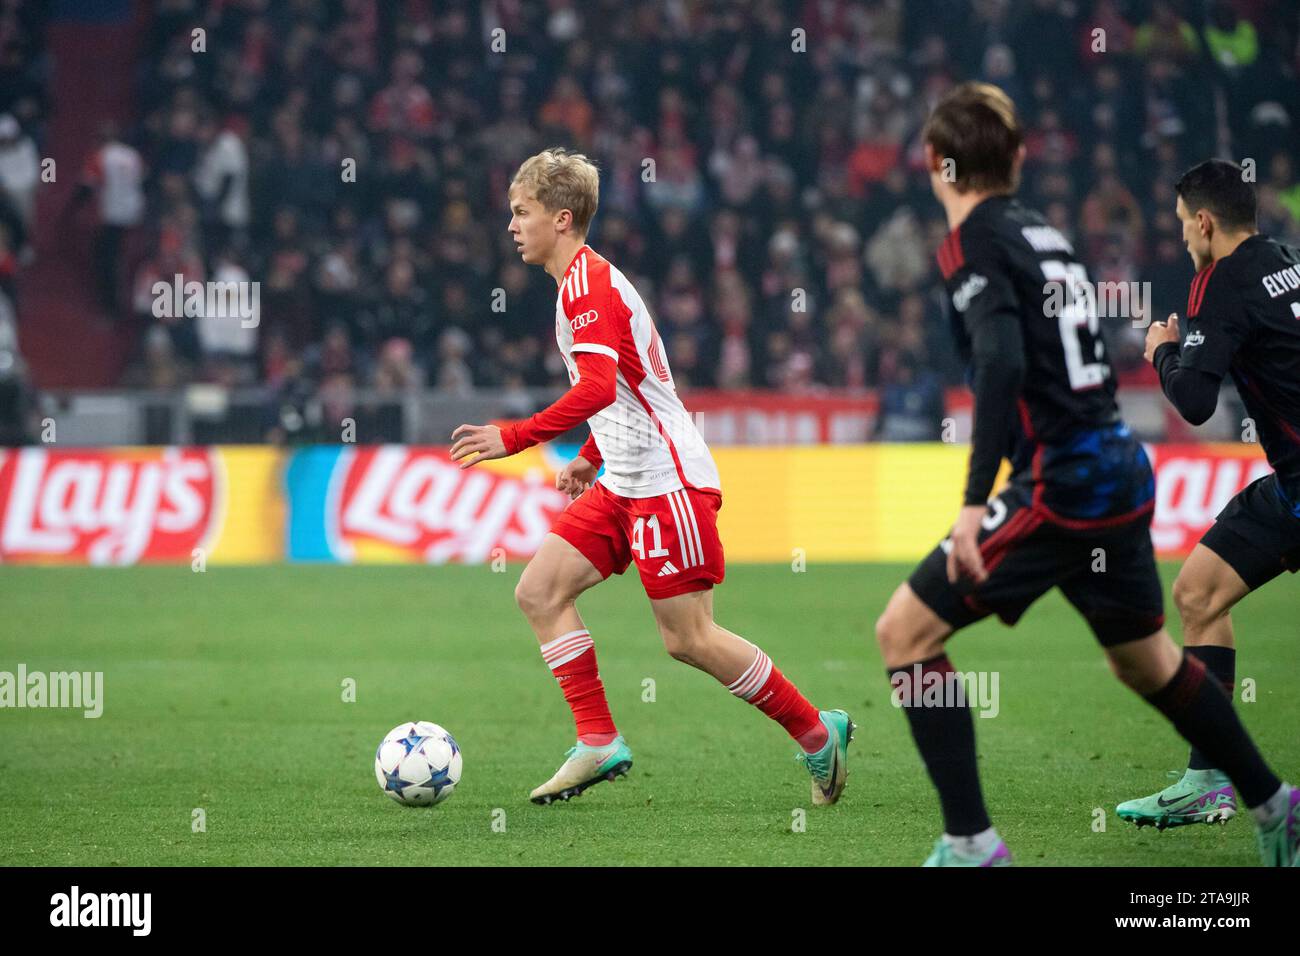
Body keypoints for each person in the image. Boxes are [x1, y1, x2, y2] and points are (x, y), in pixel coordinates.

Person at [874, 83, 1298, 866]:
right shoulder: (1046, 233)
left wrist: (975, 505)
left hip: (1064, 483)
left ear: (939, 165)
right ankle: (1273, 804)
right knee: (1148, 659)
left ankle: (970, 841)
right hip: (1117, 469)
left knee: (903, 633)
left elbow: (999, 363)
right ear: (1020, 159)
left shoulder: (971, 244)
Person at [449, 149, 852, 806]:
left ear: (562, 217)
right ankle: (599, 739)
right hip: (624, 480)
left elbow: (603, 386)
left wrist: (515, 436)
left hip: (668, 484)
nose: (513, 226)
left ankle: (816, 735)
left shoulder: (586, 287)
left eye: (521, 213)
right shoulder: (579, 283)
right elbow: (626, 388)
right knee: (540, 592)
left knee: (687, 639)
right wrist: (590, 453)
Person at [1120, 159, 1300, 835]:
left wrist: (1162, 351)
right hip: (1290, 490)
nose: (1179, 237)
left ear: (1203, 221)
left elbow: (1194, 402)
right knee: (1199, 593)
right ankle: (1207, 779)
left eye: (1179, 223)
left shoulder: (1218, 282)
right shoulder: (1288, 258)